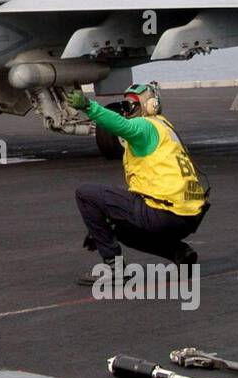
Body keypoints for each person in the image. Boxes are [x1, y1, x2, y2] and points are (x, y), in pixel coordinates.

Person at [67, 82, 208, 285]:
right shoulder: (165, 128)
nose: (127, 109)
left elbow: (121, 126)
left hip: (163, 212)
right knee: (121, 229)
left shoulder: (146, 126)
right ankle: (180, 252)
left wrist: (88, 106)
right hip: (188, 217)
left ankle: (114, 268)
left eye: (132, 104)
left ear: (150, 105)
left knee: (86, 194)